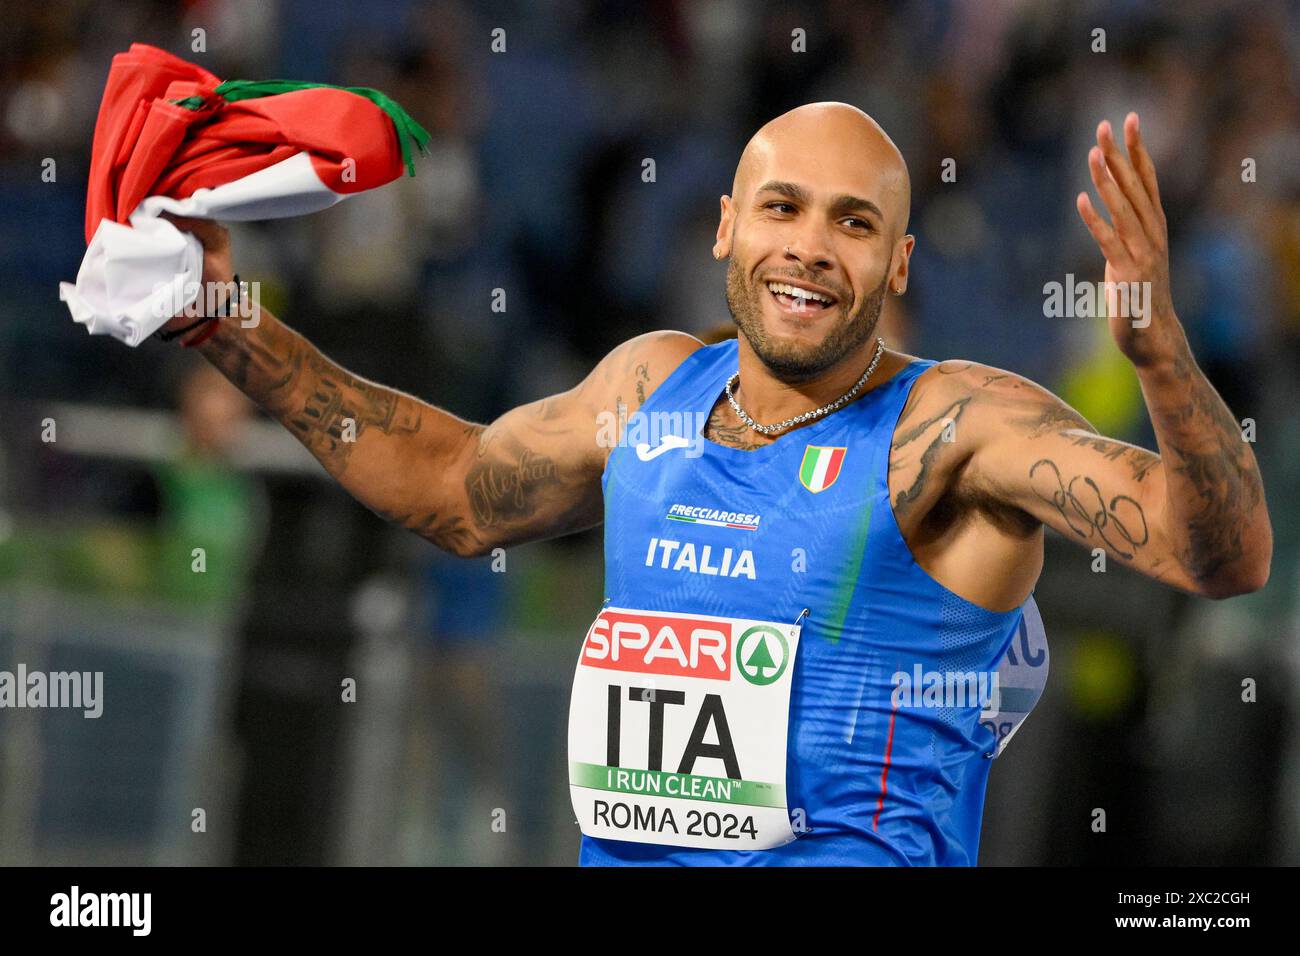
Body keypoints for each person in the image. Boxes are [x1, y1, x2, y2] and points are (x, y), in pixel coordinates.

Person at [154, 102, 1271, 865]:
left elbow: (1216, 552)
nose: (811, 247)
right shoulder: (646, 392)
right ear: (728, 227)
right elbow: (454, 484)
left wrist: (1163, 360)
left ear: (900, 264)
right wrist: (228, 321)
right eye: (783, 208)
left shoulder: (955, 427)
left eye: (855, 222)